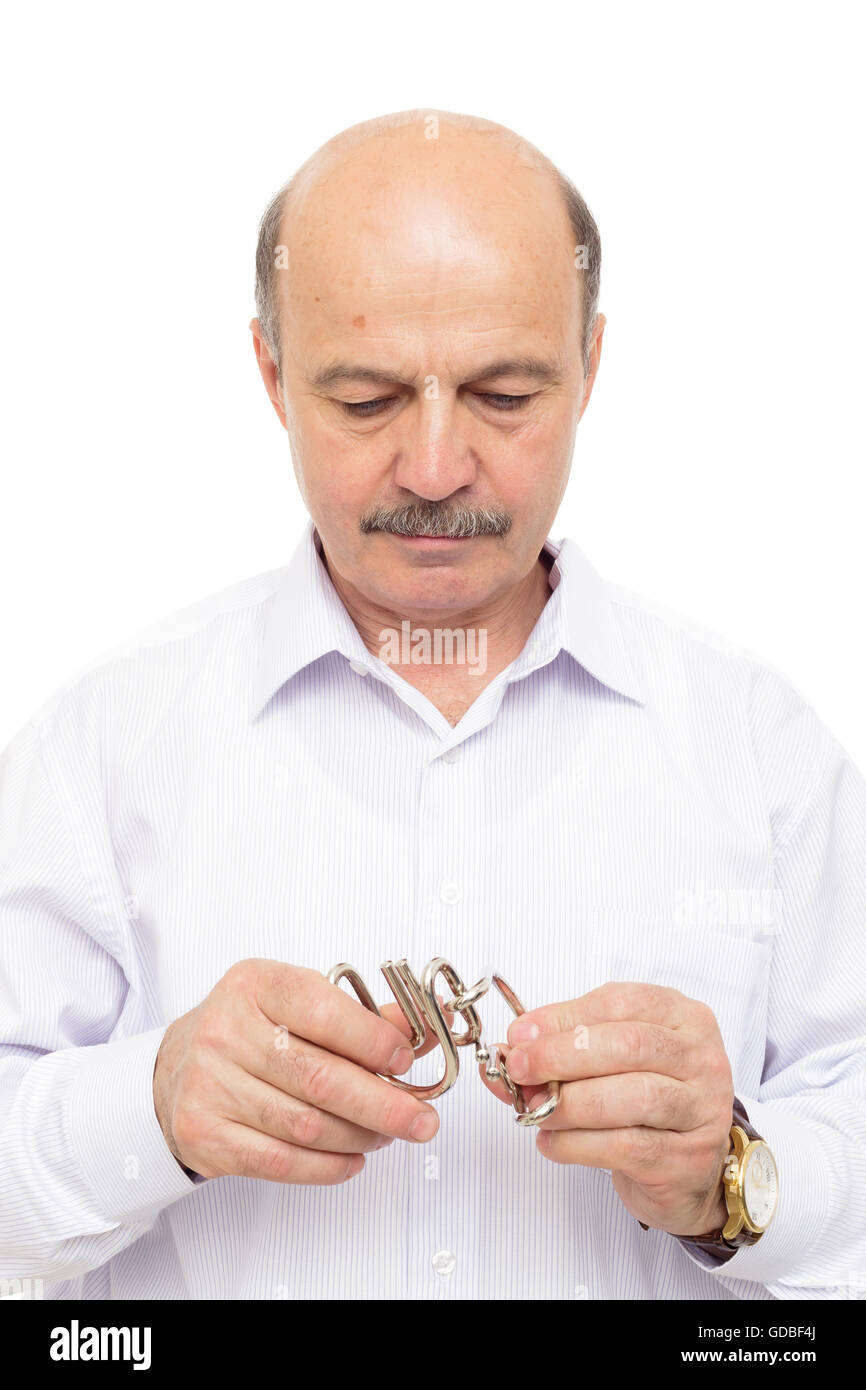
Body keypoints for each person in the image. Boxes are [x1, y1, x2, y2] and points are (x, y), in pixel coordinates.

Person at [1, 109, 864, 1302]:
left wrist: (736, 1175)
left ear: (590, 366)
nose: (434, 466)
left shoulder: (764, 754)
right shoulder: (96, 750)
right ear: (268, 373)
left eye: (505, 392)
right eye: (363, 400)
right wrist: (143, 1108)